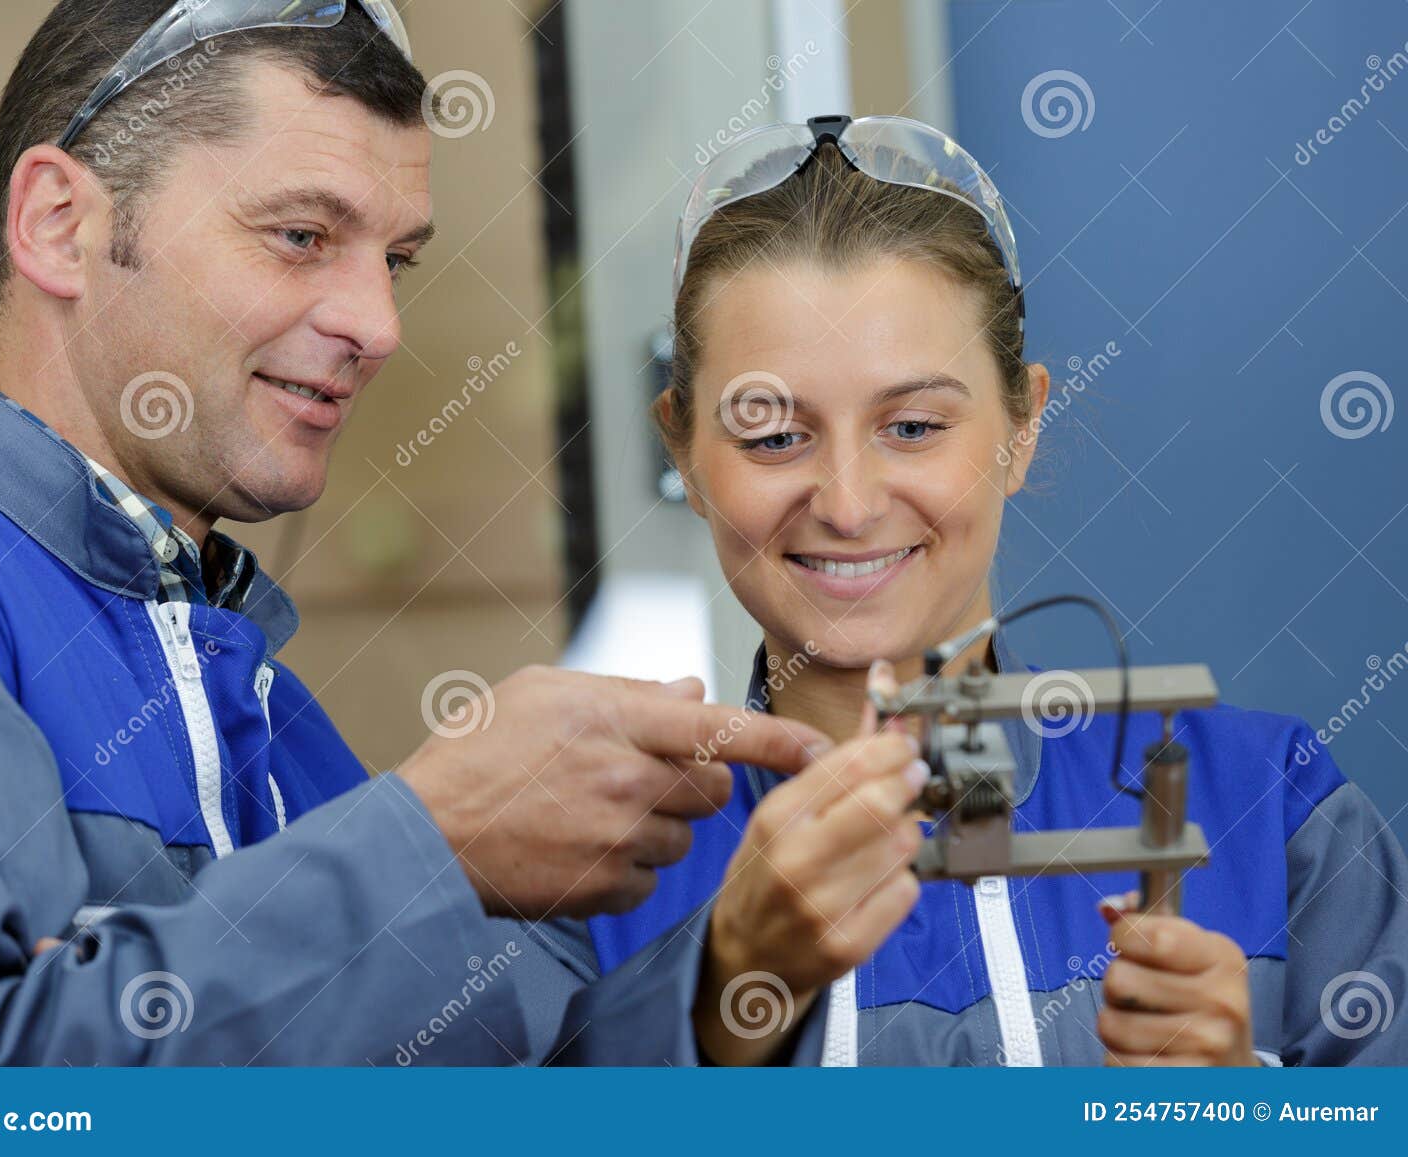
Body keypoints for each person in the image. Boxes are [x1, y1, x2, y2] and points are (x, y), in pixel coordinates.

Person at [0, 0, 884, 1067]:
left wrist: (733, 974)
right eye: (301, 236)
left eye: (395, 260)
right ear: (58, 224)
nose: (378, 325)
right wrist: (429, 845)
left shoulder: (278, 725)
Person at [577, 115, 1408, 1066]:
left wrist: (1240, 1114)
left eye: (914, 426)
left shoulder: (1272, 809)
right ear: (683, 447)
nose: (847, 505)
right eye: (772, 435)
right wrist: (719, 999)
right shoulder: (591, 873)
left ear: (1023, 427)